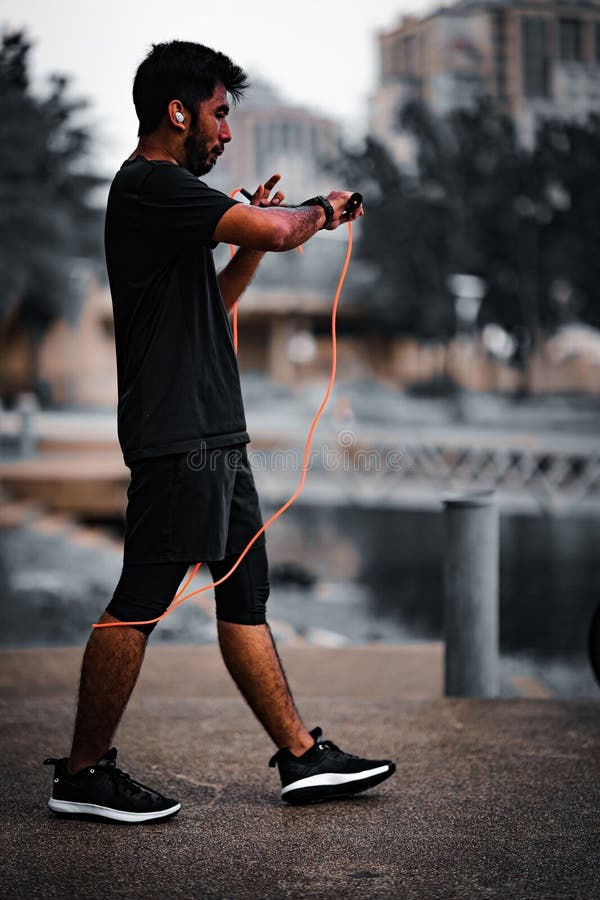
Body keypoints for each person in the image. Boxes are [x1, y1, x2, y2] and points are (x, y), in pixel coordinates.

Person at [43, 40, 396, 823]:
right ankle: (82, 773)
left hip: (213, 435)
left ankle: (300, 757)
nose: (227, 134)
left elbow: (218, 302)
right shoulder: (150, 186)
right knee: (139, 600)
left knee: (245, 597)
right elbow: (279, 231)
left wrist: (249, 237)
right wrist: (320, 211)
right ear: (178, 112)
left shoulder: (171, 205)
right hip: (177, 435)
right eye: (219, 114)